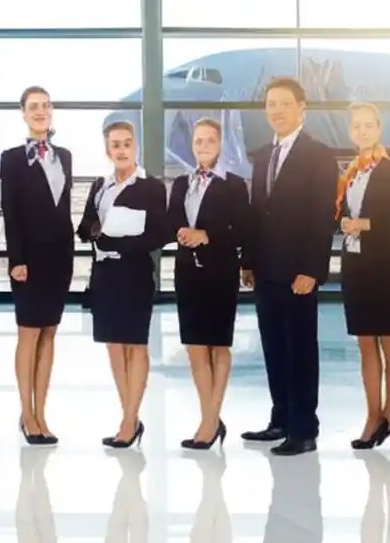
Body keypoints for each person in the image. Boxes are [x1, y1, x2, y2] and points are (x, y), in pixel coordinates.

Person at [239, 77, 338, 456]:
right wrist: (248, 260)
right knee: (273, 348)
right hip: (265, 270)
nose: (276, 110)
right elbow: (254, 213)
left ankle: (304, 429)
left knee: (300, 349)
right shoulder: (263, 155)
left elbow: (320, 216)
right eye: (271, 104)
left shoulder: (319, 155)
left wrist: (312, 269)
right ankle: (279, 419)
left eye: (284, 103)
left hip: (299, 272)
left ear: (302, 109)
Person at [77, 121, 171, 448]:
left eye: (127, 144)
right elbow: (84, 226)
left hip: (134, 273)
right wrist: (94, 230)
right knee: (114, 347)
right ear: (107, 150)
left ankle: (129, 422)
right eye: (115, 145)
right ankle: (128, 416)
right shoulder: (99, 186)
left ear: (136, 148)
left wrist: (120, 241)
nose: (121, 150)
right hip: (104, 276)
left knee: (135, 345)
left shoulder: (151, 187)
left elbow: (161, 234)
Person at [335, 102, 390, 450]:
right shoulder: (348, 173)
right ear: (351, 131)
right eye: (357, 126)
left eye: (369, 125)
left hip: (383, 264)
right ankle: (372, 415)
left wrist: (368, 224)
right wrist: (342, 223)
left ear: (379, 129)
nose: (363, 131)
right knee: (365, 342)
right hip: (354, 266)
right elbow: (337, 215)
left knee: (389, 339)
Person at [166, 118, 248, 450]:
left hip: (220, 273)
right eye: (198, 141)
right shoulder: (182, 184)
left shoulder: (234, 184)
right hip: (187, 273)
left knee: (218, 345)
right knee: (196, 348)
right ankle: (210, 418)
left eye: (209, 140)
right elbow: (171, 219)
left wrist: (207, 236)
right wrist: (180, 232)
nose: (202, 146)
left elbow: (243, 230)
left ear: (220, 144)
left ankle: (209, 422)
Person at [0, 86, 73, 446]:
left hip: (59, 258)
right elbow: (10, 212)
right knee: (28, 332)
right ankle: (26, 414)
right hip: (28, 260)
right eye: (33, 107)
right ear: (23, 114)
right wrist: (17, 260)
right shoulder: (12, 158)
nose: (40, 111)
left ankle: (41, 412)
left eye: (45, 105)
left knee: (49, 333)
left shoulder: (66, 156)